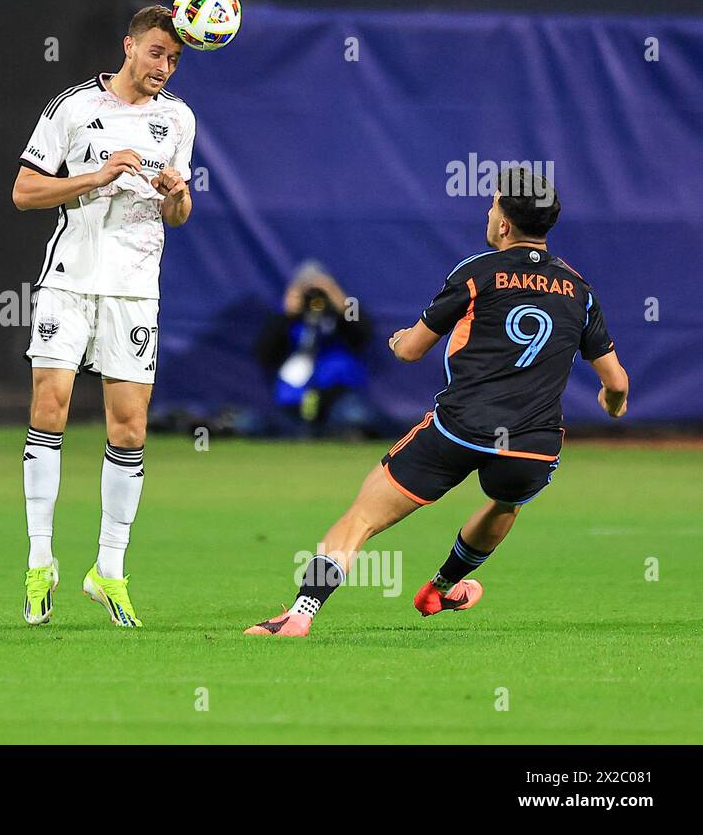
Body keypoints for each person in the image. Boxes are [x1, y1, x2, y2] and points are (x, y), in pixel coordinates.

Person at [244, 167, 629, 637]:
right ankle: (443, 585)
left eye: (492, 205)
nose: (488, 213)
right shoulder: (579, 289)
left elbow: (410, 352)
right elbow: (616, 381)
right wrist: (612, 404)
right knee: (505, 503)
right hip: (531, 444)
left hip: (457, 429)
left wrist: (399, 340)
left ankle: (299, 615)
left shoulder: (478, 272)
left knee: (361, 518)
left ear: (504, 223)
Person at [12, 5, 196, 628]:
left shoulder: (178, 119)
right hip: (70, 280)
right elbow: (25, 192)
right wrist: (97, 174)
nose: (163, 68)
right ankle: (40, 562)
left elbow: (178, 216)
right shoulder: (73, 108)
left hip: (135, 290)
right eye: (155, 54)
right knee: (50, 406)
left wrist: (177, 196)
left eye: (173, 59)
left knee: (130, 427)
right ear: (129, 45)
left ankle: (108, 570)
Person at [256, 261, 382, 437]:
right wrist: (287, 314)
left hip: (337, 390)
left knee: (356, 420)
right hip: (294, 393)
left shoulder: (342, 312)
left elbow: (362, 337)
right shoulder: (286, 317)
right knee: (262, 426)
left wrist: (338, 299)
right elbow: (265, 353)